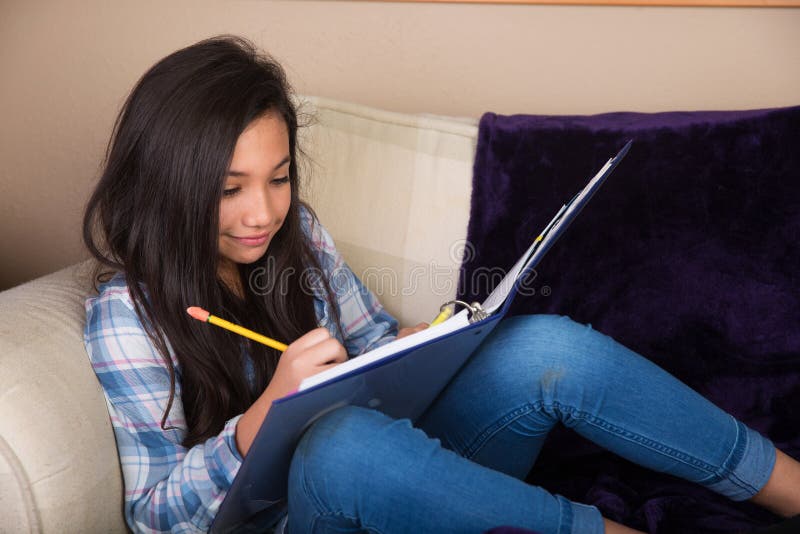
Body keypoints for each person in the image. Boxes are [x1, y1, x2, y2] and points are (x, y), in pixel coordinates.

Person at [82, 35, 800, 534]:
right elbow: (152, 515)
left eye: (278, 178)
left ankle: (788, 487)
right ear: (171, 184)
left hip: (404, 473)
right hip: (306, 511)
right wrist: (264, 416)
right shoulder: (127, 318)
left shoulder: (295, 233)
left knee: (543, 345)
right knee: (340, 444)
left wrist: (434, 343)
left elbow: (372, 344)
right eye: (230, 188)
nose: (264, 211)